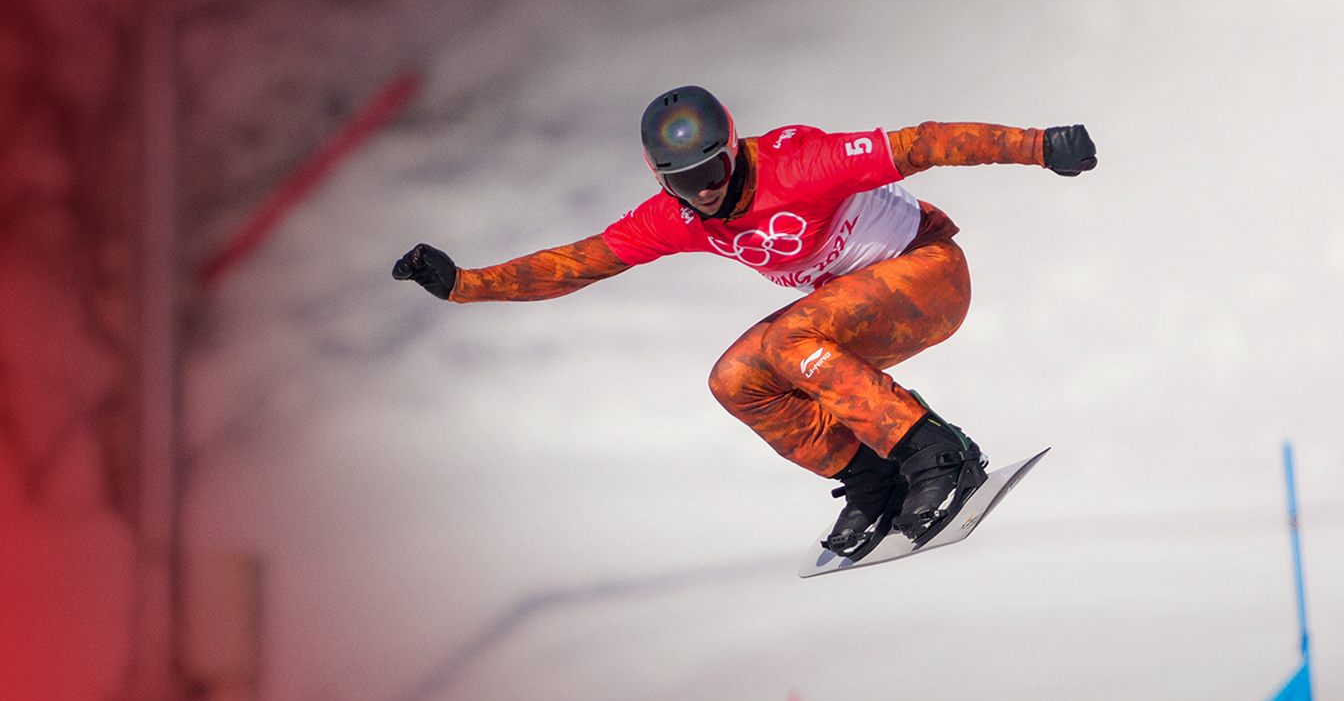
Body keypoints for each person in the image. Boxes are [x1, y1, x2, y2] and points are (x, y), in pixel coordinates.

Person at [393, 85, 1096, 557]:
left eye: (716, 169)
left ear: (735, 149)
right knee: (736, 380)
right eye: (684, 182)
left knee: (793, 339)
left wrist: (1040, 146)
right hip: (858, 304)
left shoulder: (800, 163)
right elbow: (583, 262)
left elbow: (923, 143)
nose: (706, 191)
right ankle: (875, 480)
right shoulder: (676, 217)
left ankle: (938, 455)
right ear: (660, 180)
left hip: (930, 274)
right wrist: (465, 286)